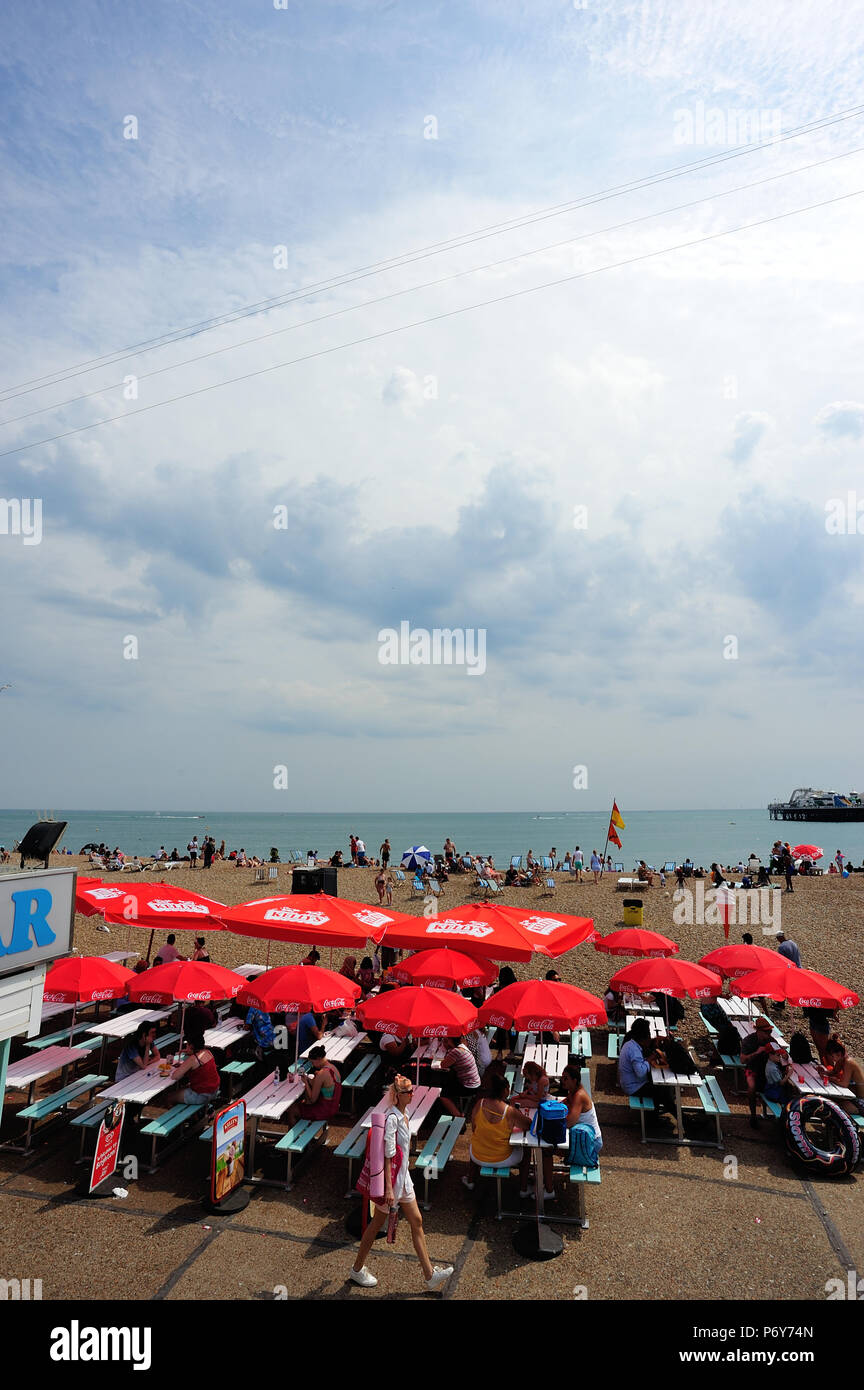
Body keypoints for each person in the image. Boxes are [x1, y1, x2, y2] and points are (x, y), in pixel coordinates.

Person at [350, 1076, 454, 1292]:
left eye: (411, 1091)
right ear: (398, 1095)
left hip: (403, 1179)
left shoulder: (403, 1115)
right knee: (376, 1224)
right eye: (408, 1092)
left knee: (416, 1220)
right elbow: (388, 1155)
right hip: (394, 1182)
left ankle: (429, 1275)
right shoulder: (393, 1120)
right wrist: (388, 1188)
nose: (412, 1094)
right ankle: (357, 1269)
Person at [461, 1074, 530, 1190]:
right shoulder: (510, 1111)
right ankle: (524, 1188)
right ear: (504, 1090)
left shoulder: (480, 1103)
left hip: (477, 1156)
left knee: (477, 1140)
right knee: (527, 1150)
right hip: (502, 1158)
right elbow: (528, 1125)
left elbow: (474, 1129)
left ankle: (470, 1180)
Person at [617, 1017, 672, 1117]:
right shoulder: (634, 1051)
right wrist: (650, 1059)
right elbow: (640, 1072)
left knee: (664, 1091)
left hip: (630, 1082)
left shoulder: (631, 1043)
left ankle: (659, 1112)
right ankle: (682, 1120)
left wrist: (655, 1041)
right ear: (644, 1037)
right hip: (634, 1087)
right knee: (663, 1090)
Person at [560, 1062, 602, 1181]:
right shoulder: (574, 1090)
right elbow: (565, 1102)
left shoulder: (579, 1095)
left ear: (574, 1080)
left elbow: (570, 1122)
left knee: (547, 1151)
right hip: (585, 1137)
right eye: (562, 1077)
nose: (562, 1081)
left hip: (592, 1142)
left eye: (566, 1078)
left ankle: (548, 1189)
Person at [166, 1024, 220, 1106]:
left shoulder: (193, 1059)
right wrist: (188, 1052)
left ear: (191, 1046)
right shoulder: (208, 1052)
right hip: (214, 1090)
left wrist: (187, 1057)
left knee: (169, 1097)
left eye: (187, 1044)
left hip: (201, 1095)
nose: (186, 1046)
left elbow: (175, 1076)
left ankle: (174, 1116)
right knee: (184, 1087)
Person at [740, 1016, 775, 1126]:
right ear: (759, 1031)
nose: (768, 1034)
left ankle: (779, 1114)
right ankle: (753, 1115)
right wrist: (757, 1052)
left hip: (766, 1069)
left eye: (769, 1031)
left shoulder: (771, 1040)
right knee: (751, 1086)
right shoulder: (748, 1040)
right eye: (766, 1032)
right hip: (752, 1068)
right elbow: (743, 1060)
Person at [438, 1036, 481, 1118]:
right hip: (476, 1083)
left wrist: (446, 1045)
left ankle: (459, 1116)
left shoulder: (456, 1051)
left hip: (469, 1087)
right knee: (449, 1079)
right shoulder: (463, 1046)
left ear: (450, 1040)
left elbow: (443, 1065)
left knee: (442, 1094)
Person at [295, 1046, 342, 1120]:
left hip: (324, 1110)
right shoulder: (333, 1068)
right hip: (334, 1106)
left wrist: (306, 1083)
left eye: (313, 1062)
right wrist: (308, 1079)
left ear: (319, 1059)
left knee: (292, 1110)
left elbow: (312, 1100)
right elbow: (325, 1086)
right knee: (302, 1103)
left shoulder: (322, 1073)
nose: (312, 1065)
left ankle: (296, 1130)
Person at [821, 1037, 864, 1115]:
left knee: (838, 1106)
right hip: (852, 1096)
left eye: (832, 1056)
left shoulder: (848, 1062)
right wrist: (823, 1071)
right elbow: (834, 1072)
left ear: (839, 1054)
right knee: (830, 1100)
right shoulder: (841, 1059)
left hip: (860, 1100)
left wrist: (831, 1079)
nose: (832, 1059)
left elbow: (844, 1084)